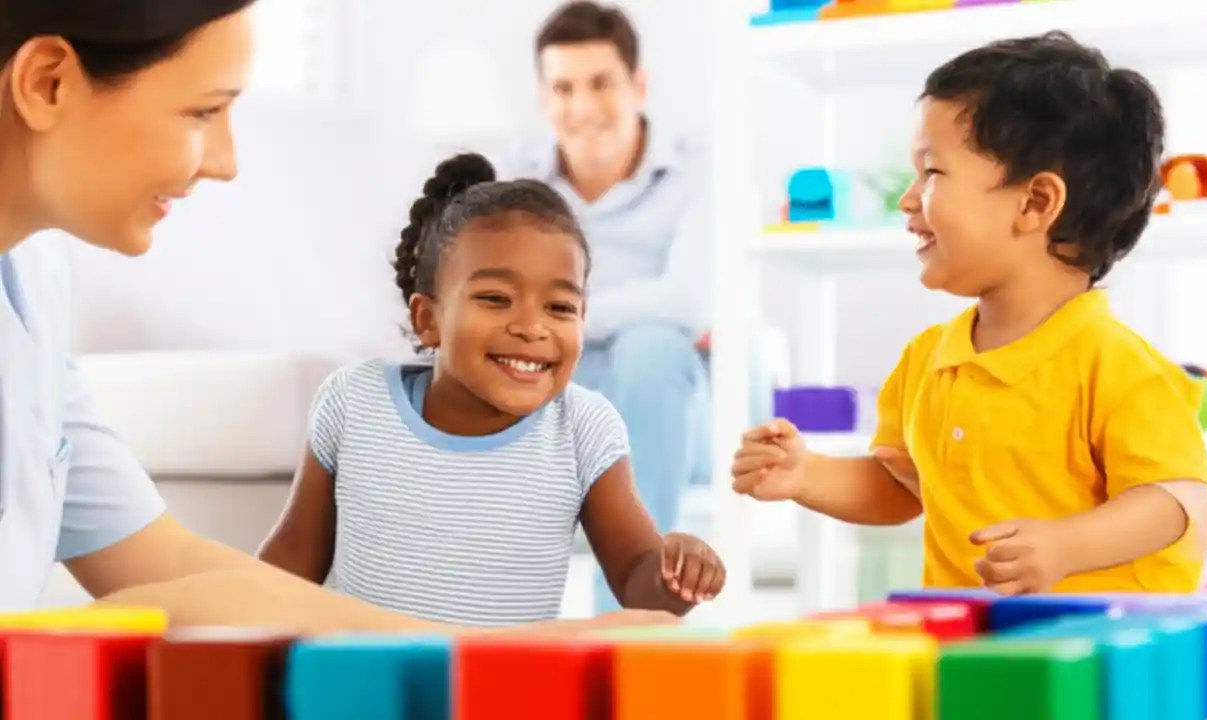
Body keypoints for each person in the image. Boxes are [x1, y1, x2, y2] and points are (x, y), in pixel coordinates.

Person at [0, 0, 674, 634]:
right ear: (48, 83)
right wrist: (522, 652)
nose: (229, 162)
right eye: (203, 112)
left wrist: (505, 653)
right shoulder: (355, 404)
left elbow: (173, 568)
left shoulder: (37, 283)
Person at [733, 32, 1207, 595]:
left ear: (1035, 204)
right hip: (972, 648)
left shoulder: (1118, 365)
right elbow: (902, 487)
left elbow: (1179, 500)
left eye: (932, 173)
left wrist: (1067, 545)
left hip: (1098, 654)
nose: (907, 200)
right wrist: (806, 473)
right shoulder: (928, 362)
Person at [257, 153, 726, 626]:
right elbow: (291, 562)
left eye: (560, 308)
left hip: (506, 694)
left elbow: (634, 577)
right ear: (428, 319)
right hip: (373, 689)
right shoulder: (354, 402)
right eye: (496, 299)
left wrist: (673, 574)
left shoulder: (584, 429)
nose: (531, 327)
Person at [507, 0, 712, 614]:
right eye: (564, 88)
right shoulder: (514, 181)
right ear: (544, 99)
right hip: (562, 390)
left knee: (652, 345)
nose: (584, 107)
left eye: (601, 83)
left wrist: (554, 318)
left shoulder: (699, 171)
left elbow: (687, 300)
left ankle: (630, 609)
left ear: (638, 85)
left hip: (675, 402)